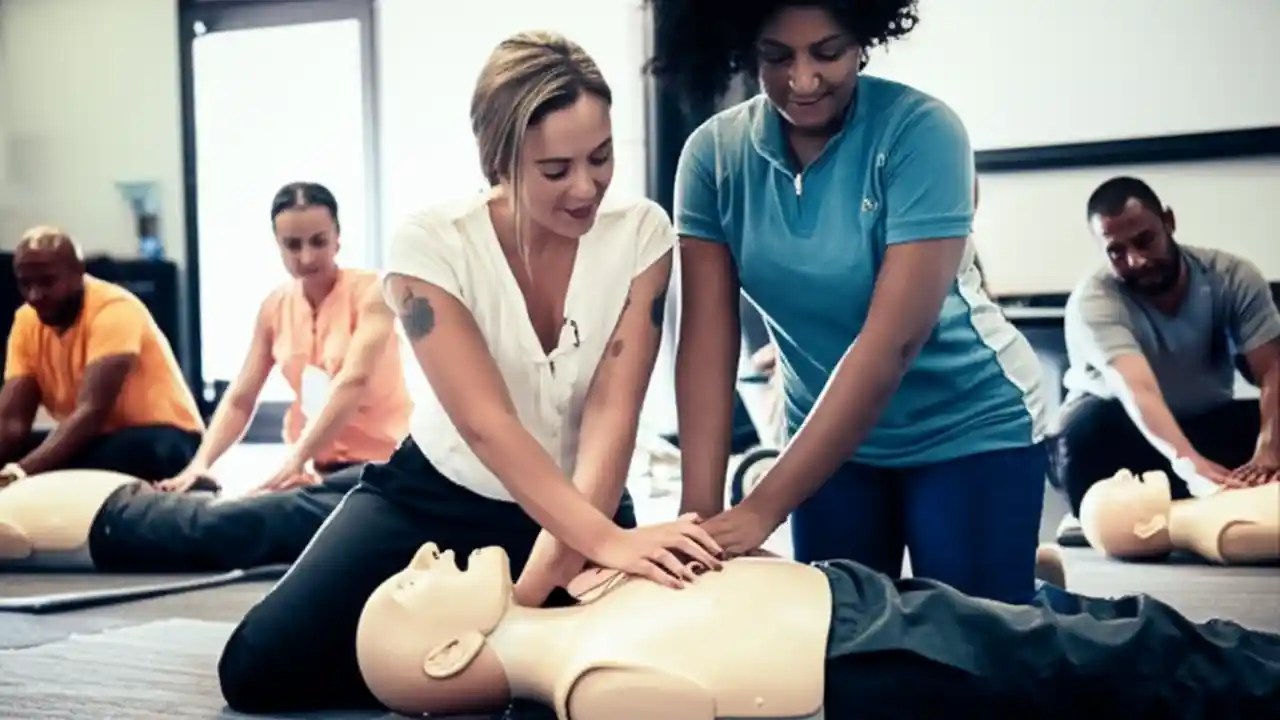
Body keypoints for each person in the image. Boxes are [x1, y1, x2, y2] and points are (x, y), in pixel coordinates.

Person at [216, 30, 724, 714]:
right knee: (257, 669)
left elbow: (613, 409)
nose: (586, 188)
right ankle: (447, 682)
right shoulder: (431, 244)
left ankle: (486, 675)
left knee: (633, 676)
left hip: (583, 497)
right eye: (555, 169)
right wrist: (526, 604)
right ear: (500, 159)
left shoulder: (641, 234)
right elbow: (487, 424)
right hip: (437, 491)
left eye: (600, 158)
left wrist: (544, 580)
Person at [648, 0, 1048, 604]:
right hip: (827, 443)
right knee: (846, 652)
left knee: (975, 652)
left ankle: (1047, 604)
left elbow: (892, 343)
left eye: (827, 53)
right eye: (776, 57)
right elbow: (706, 342)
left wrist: (762, 508)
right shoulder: (713, 156)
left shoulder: (922, 132)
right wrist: (698, 519)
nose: (803, 80)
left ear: (863, 38)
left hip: (969, 425)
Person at [354, 541, 1280, 719]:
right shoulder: (593, 690)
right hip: (866, 660)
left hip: (853, 602)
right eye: (410, 585)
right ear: (447, 655)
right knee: (1105, 661)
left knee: (1083, 624)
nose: (425, 551)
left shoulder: (582, 593)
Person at [159, 182, 412, 495]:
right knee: (247, 512)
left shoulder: (373, 291)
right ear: (277, 245)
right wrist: (200, 464)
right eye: (293, 245)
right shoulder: (274, 306)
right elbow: (241, 398)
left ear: (338, 238)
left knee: (270, 512)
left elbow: (353, 381)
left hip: (384, 465)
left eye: (319, 241)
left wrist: (295, 459)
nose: (306, 257)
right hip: (314, 470)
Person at [1054, 176, 1280, 521]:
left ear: (1169, 223)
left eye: (1145, 241)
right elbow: (1138, 391)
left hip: (1201, 424)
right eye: (1117, 252)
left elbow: (1271, 370)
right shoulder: (1095, 300)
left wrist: (1268, 449)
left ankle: (1214, 495)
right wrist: (1190, 465)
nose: (1137, 261)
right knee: (1088, 430)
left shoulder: (1232, 277)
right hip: (1120, 432)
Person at [0, 227, 204, 486]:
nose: (35, 295)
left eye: (47, 282)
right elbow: (12, 424)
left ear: (78, 272)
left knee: (124, 453)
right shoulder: (26, 320)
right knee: (36, 453)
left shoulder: (115, 309)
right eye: (25, 283)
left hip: (167, 438)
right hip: (94, 441)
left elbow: (91, 411)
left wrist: (20, 474)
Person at [0, 467, 361, 572]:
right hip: (111, 516)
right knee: (278, 513)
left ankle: (402, 495)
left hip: (117, 510)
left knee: (281, 512)